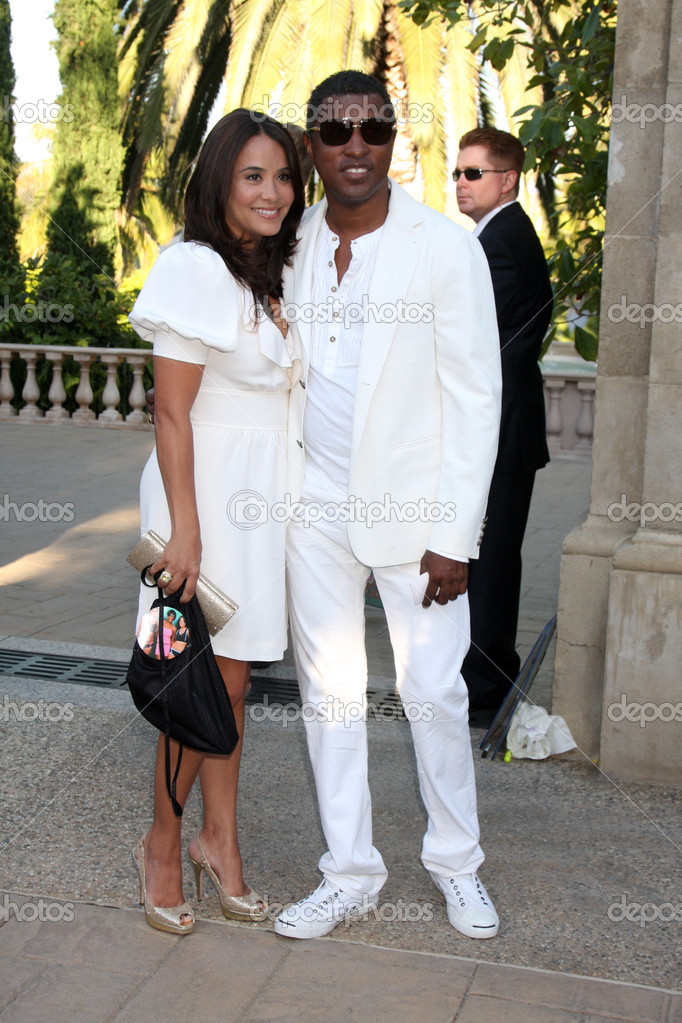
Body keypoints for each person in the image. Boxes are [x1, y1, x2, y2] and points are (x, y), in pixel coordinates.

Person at [273, 71, 502, 942]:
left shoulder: (445, 249)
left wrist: (455, 537)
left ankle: (458, 865)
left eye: (372, 127)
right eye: (335, 132)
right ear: (312, 146)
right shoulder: (287, 243)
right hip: (312, 508)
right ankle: (349, 873)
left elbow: (478, 399)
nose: (355, 145)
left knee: (434, 692)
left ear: (395, 136)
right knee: (328, 694)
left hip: (416, 520)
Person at [128, 108, 304, 935]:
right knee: (200, 680)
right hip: (201, 496)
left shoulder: (268, 276)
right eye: (253, 176)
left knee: (234, 680)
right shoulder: (195, 267)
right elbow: (171, 412)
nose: (275, 192)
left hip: (259, 501)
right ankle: (163, 845)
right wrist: (186, 530)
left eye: (282, 176)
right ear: (219, 183)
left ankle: (219, 841)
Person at [454, 128, 553, 724]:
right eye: (459, 173)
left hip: (501, 430)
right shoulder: (500, 235)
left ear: (507, 179)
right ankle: (486, 680)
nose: (460, 184)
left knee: (489, 562)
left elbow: (474, 345)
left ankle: (486, 690)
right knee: (490, 558)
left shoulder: (502, 241)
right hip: (504, 427)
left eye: (473, 174)